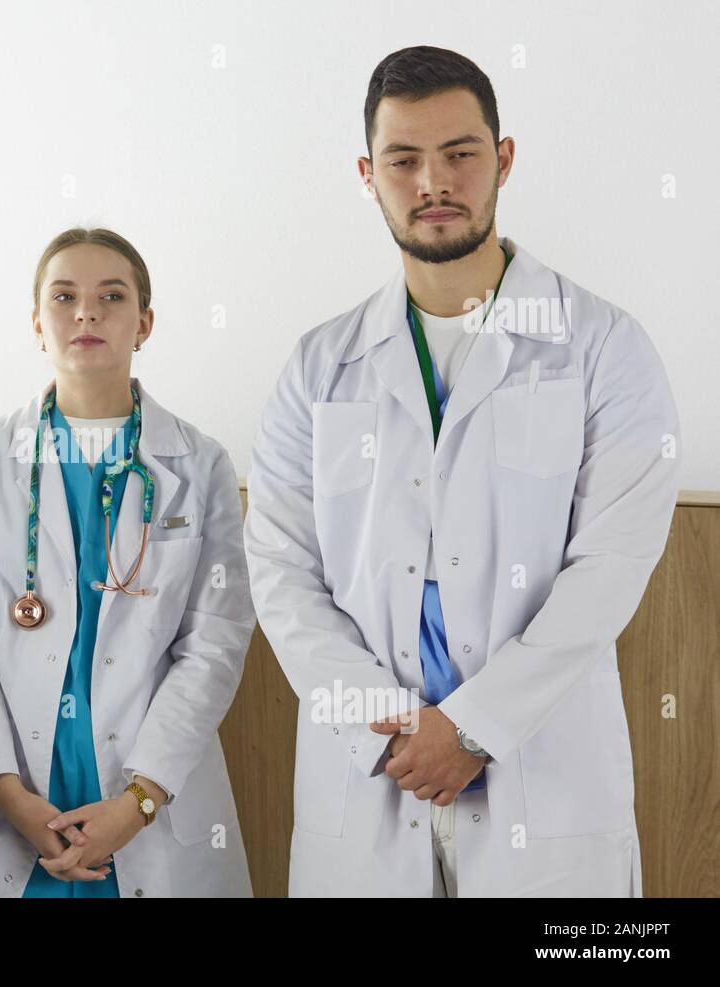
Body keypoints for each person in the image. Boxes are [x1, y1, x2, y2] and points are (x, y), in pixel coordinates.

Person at [244, 46, 680, 897]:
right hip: (373, 774)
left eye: (460, 153)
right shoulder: (318, 365)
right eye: (404, 159)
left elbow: (611, 568)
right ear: (369, 176)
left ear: (503, 160)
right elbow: (282, 573)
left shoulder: (604, 347)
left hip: (542, 773)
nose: (432, 181)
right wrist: (394, 727)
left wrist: (475, 726)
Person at [0, 227, 255, 897]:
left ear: (145, 321)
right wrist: (10, 795)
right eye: (64, 296)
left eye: (111, 296)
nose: (87, 313)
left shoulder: (200, 463)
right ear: (37, 324)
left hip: (146, 808)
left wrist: (138, 801)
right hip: (11, 802)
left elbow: (214, 645)